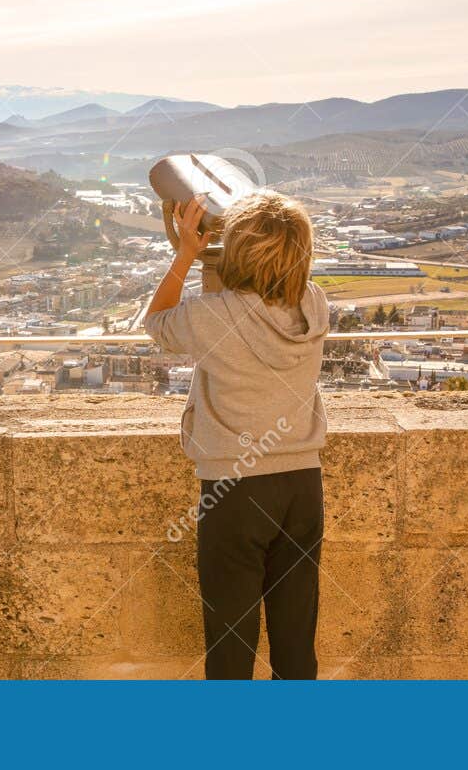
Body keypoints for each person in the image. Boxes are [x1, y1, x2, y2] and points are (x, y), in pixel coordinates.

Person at [144, 190, 329, 680]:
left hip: (234, 489)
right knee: (295, 636)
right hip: (303, 484)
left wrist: (186, 253)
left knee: (230, 639)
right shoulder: (314, 304)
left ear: (236, 251)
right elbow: (256, 295)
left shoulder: (212, 317)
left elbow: (158, 323)